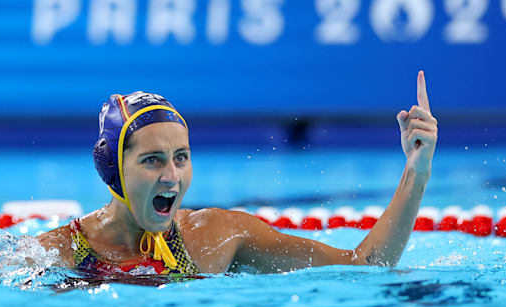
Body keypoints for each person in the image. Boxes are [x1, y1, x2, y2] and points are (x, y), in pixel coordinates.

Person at [36, 72, 438, 274]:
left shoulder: (216, 237)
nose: (172, 176)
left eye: (181, 157)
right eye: (152, 160)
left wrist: (415, 174)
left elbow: (364, 264)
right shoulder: (61, 253)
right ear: (112, 169)